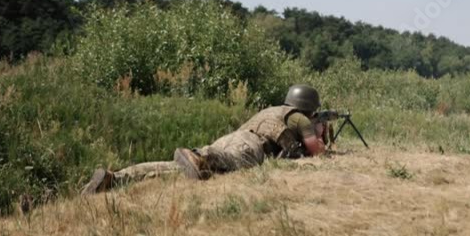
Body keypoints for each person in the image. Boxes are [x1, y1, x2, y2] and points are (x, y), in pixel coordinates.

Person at [81, 84, 328, 194]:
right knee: (221, 160)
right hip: (250, 146)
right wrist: (320, 133)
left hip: (233, 136)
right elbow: (316, 152)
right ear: (310, 107)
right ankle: (202, 157)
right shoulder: (301, 120)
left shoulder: (273, 110)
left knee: (177, 169)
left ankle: (117, 178)